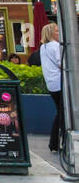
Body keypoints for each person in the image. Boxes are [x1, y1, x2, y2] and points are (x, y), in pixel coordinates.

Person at [41, 22, 64, 153]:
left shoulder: (43, 47)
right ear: (50, 33)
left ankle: (54, 143)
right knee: (62, 113)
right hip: (59, 82)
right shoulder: (55, 46)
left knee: (60, 112)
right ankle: (55, 142)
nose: (59, 33)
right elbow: (61, 64)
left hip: (51, 84)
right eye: (56, 31)